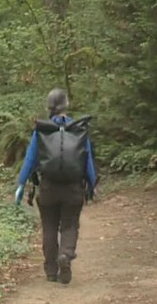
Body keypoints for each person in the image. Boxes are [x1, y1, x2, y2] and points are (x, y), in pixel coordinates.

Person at [14, 88, 98, 285]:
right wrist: (92, 185)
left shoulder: (43, 130)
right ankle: (66, 255)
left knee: (49, 227)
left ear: (48, 106)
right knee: (70, 225)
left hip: (48, 187)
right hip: (73, 188)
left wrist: (20, 185)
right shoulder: (78, 129)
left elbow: (30, 159)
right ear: (66, 105)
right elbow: (88, 161)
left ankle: (51, 270)